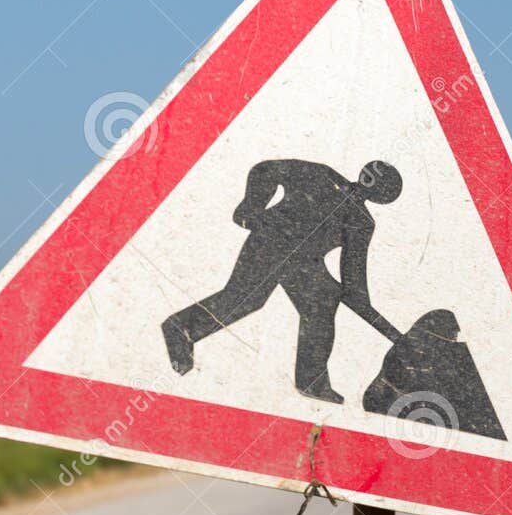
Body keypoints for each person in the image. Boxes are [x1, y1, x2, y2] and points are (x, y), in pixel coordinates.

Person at [161, 159, 402, 403]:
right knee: (246, 298)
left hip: (303, 260)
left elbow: (354, 287)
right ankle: (180, 327)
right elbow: (265, 169)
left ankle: (312, 381)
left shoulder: (359, 220)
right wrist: (252, 208)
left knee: (322, 300)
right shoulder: (324, 178)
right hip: (272, 240)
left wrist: (395, 336)